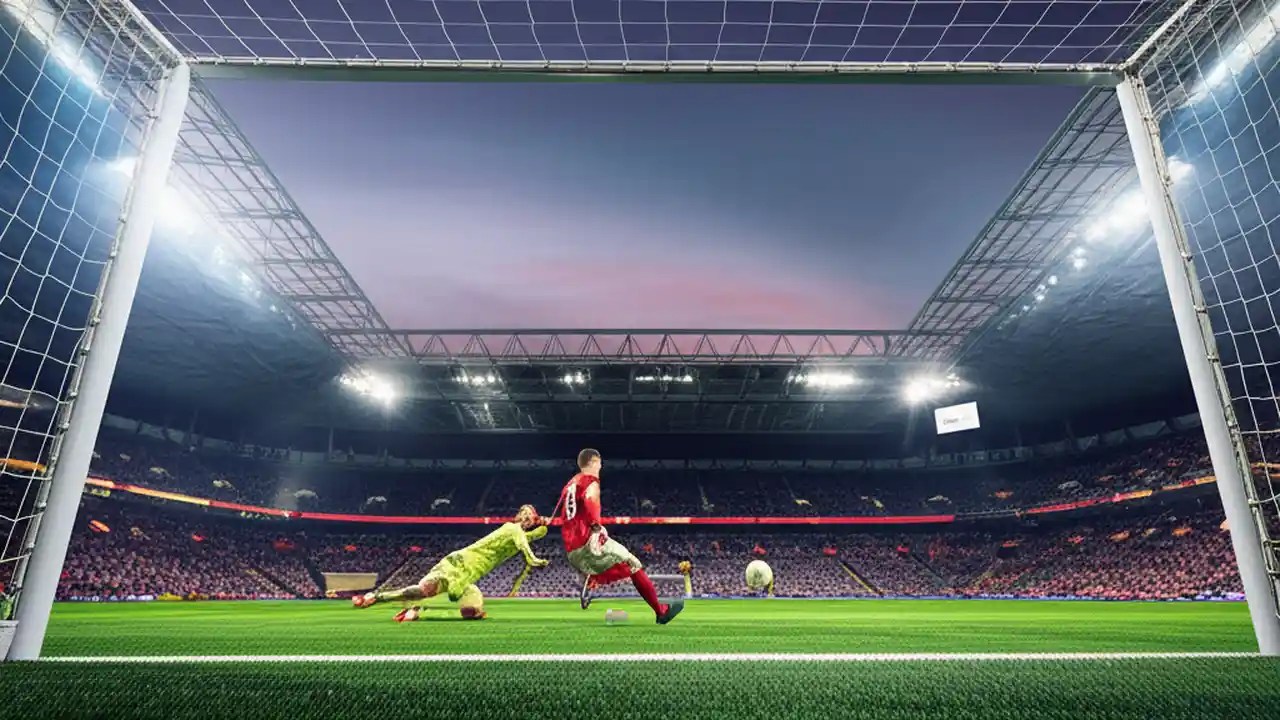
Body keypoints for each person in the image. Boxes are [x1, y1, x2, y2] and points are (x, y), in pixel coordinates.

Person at [352, 504, 549, 621]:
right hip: (461, 565)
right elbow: (525, 546)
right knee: (426, 590)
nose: (527, 519)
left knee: (473, 612)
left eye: (531, 518)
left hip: (467, 575)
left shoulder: (516, 535)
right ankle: (376, 597)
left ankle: (419, 612)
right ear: (520, 516)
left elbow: (533, 536)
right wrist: (535, 561)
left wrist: (544, 526)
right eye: (526, 516)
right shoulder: (512, 529)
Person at [558, 448, 683, 624]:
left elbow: (564, 516)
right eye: (600, 463)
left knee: (617, 559)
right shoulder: (590, 481)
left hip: (572, 549)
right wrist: (595, 527)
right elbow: (591, 500)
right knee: (633, 564)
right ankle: (660, 611)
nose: (601, 466)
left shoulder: (570, 484)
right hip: (587, 542)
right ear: (593, 462)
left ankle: (594, 577)